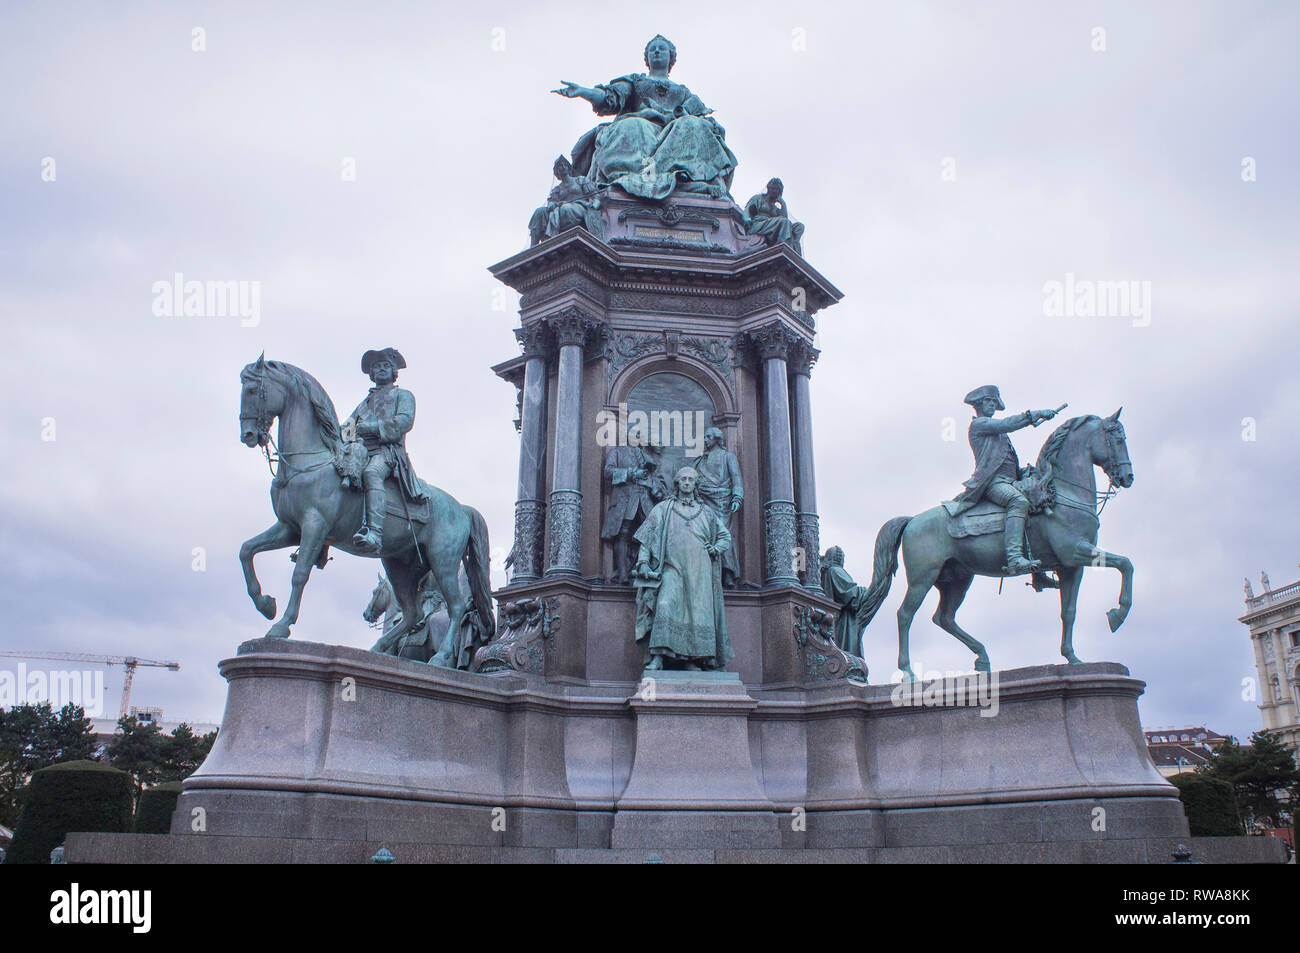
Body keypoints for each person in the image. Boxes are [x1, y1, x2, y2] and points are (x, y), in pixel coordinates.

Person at [552, 35, 737, 201]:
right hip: (642, 123)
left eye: (661, 48)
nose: (656, 51)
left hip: (675, 129)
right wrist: (582, 91)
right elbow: (611, 98)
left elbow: (697, 113)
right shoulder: (635, 81)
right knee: (633, 126)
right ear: (647, 58)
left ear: (671, 58)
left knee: (694, 124)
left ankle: (684, 176)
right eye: (652, 49)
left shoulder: (682, 91)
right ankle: (635, 179)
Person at [949, 385, 1059, 575]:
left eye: (994, 401)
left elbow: (1005, 460)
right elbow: (1006, 424)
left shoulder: (998, 433)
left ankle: (1038, 574)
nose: (992, 404)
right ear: (978, 405)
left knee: (1037, 500)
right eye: (988, 401)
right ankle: (1015, 558)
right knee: (1018, 501)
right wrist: (1036, 414)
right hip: (992, 483)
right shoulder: (980, 425)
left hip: (1009, 480)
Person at [632, 467, 732, 671]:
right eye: (683, 479)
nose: (686, 483)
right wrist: (643, 562)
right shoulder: (663, 508)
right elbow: (647, 539)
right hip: (672, 568)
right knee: (665, 603)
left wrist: (715, 549)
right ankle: (658, 657)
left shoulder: (707, 512)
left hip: (700, 572)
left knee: (698, 614)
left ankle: (691, 660)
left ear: (696, 484)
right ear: (677, 484)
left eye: (690, 480)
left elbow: (725, 537)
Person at [346, 348, 424, 553]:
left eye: (385, 366)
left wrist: (372, 428)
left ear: (393, 371)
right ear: (372, 373)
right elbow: (346, 429)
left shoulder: (403, 395)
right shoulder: (365, 403)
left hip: (387, 452)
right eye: (377, 367)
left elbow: (404, 422)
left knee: (372, 473)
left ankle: (375, 533)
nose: (381, 369)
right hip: (360, 452)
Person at [601, 442, 668, 584]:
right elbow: (608, 471)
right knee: (623, 533)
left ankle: (650, 569)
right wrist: (631, 473)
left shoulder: (647, 454)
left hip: (645, 500)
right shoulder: (617, 452)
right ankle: (623, 574)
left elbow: (656, 477)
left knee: (652, 533)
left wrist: (655, 486)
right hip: (626, 499)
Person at [686, 427, 743, 587]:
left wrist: (737, 495)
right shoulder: (700, 460)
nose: (705, 440)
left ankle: (727, 573)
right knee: (703, 535)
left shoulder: (728, 456)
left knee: (723, 535)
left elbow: (736, 477)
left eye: (708, 437)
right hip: (702, 500)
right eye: (704, 437)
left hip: (723, 502)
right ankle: (706, 572)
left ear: (717, 439)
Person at [528, 155, 604, 246]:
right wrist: (552, 204)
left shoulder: (580, 180)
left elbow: (596, 196)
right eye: (560, 166)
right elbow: (551, 203)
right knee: (539, 212)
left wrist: (594, 205)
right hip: (560, 209)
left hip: (580, 207)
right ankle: (533, 246)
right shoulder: (557, 189)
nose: (563, 167)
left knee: (565, 209)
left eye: (565, 165)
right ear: (557, 172)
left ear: (568, 168)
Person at [819, 547, 872, 657]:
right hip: (842, 620)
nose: (843, 560)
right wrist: (866, 592)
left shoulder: (828, 571)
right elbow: (850, 594)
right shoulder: (835, 570)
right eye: (842, 557)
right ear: (837, 557)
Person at [744, 178, 804, 255]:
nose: (774, 191)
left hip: (772, 225)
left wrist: (783, 203)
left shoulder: (776, 208)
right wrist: (746, 219)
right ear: (768, 188)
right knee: (783, 222)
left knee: (799, 226)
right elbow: (747, 210)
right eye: (773, 188)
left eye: (777, 189)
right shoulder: (758, 198)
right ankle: (782, 247)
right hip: (758, 224)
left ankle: (793, 249)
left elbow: (786, 220)